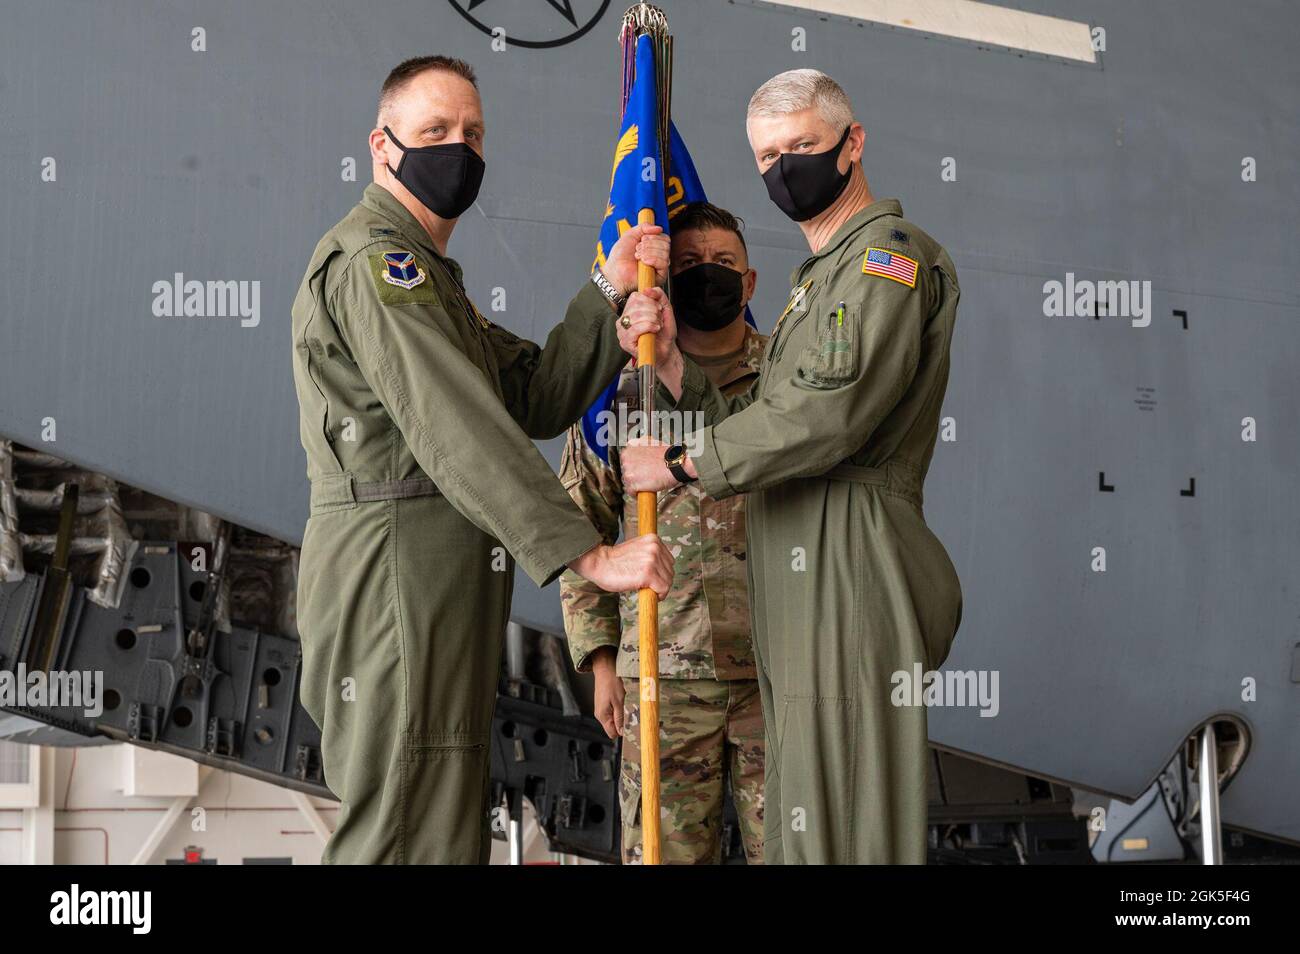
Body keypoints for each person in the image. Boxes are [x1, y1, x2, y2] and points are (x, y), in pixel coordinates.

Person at [289, 55, 675, 864]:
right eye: (435, 132)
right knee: (404, 828)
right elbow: (452, 422)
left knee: (437, 820)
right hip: (397, 573)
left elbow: (532, 395)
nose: (458, 149)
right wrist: (586, 553)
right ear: (382, 145)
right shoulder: (376, 265)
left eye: (472, 133)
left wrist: (607, 293)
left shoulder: (428, 278)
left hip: (437, 575)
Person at [618, 69, 963, 864]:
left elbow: (828, 417)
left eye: (802, 146)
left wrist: (677, 461)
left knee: (848, 812)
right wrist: (673, 366)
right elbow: (766, 425)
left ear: (854, 143)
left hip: (846, 556)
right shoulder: (819, 283)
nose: (783, 169)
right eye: (767, 156)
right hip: (800, 566)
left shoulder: (887, 261)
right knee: (810, 811)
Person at [559, 202, 767, 864]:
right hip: (664, 673)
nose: (709, 274)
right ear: (665, 281)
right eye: (691, 265)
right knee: (664, 855)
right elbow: (581, 528)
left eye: (724, 264)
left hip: (776, 672)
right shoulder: (621, 396)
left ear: (751, 282)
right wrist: (599, 662)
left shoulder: (789, 380)